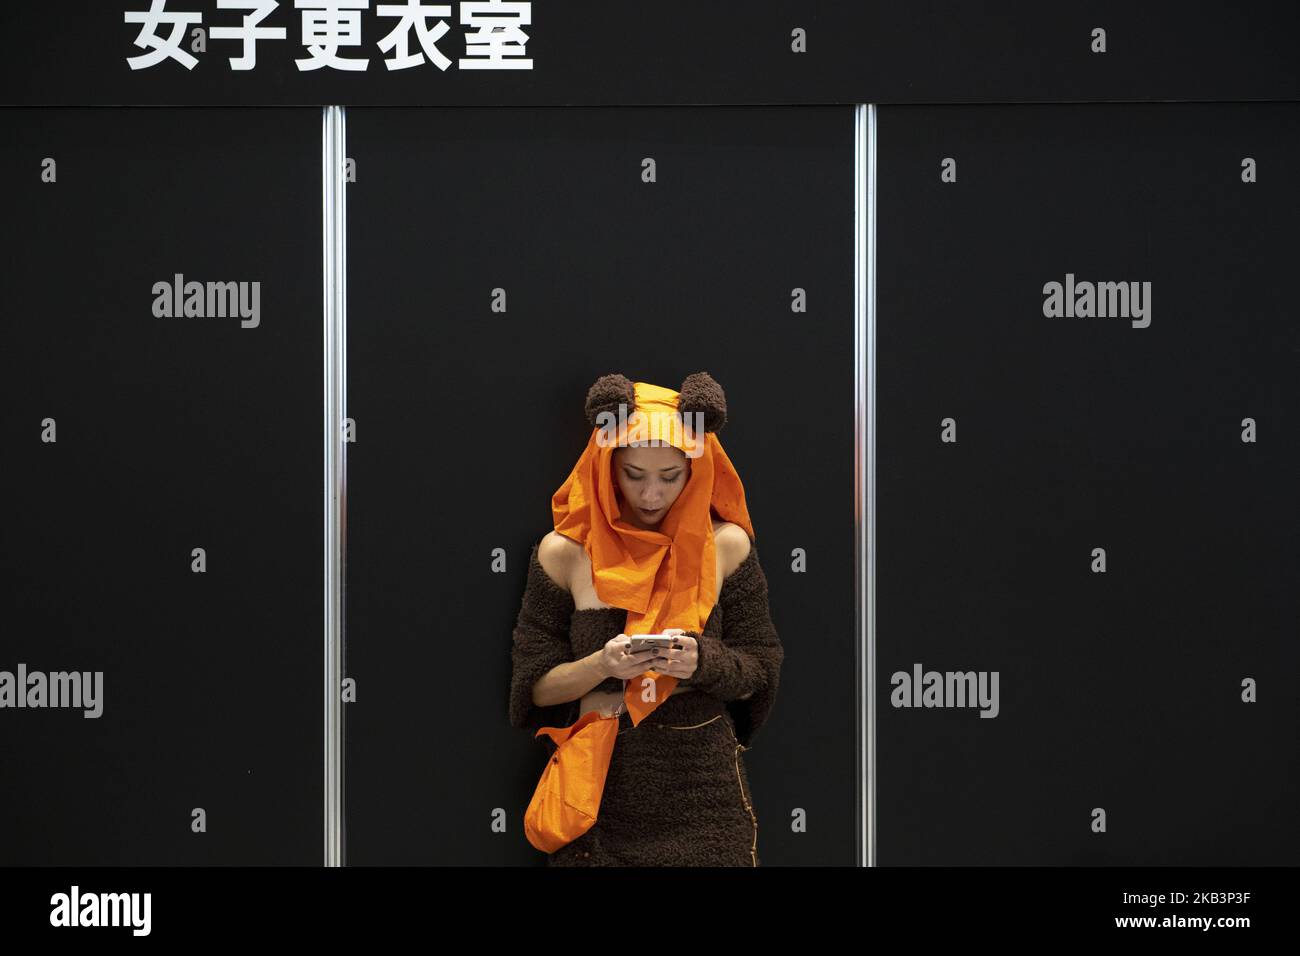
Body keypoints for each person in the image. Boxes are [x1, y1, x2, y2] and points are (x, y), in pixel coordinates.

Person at [508, 371, 784, 866]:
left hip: (700, 781)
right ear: (605, 466)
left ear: (697, 471)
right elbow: (534, 688)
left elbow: (759, 674)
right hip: (599, 780)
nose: (651, 495)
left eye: (670, 476)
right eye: (633, 475)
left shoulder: (727, 547)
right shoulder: (563, 554)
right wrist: (602, 665)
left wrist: (701, 661)